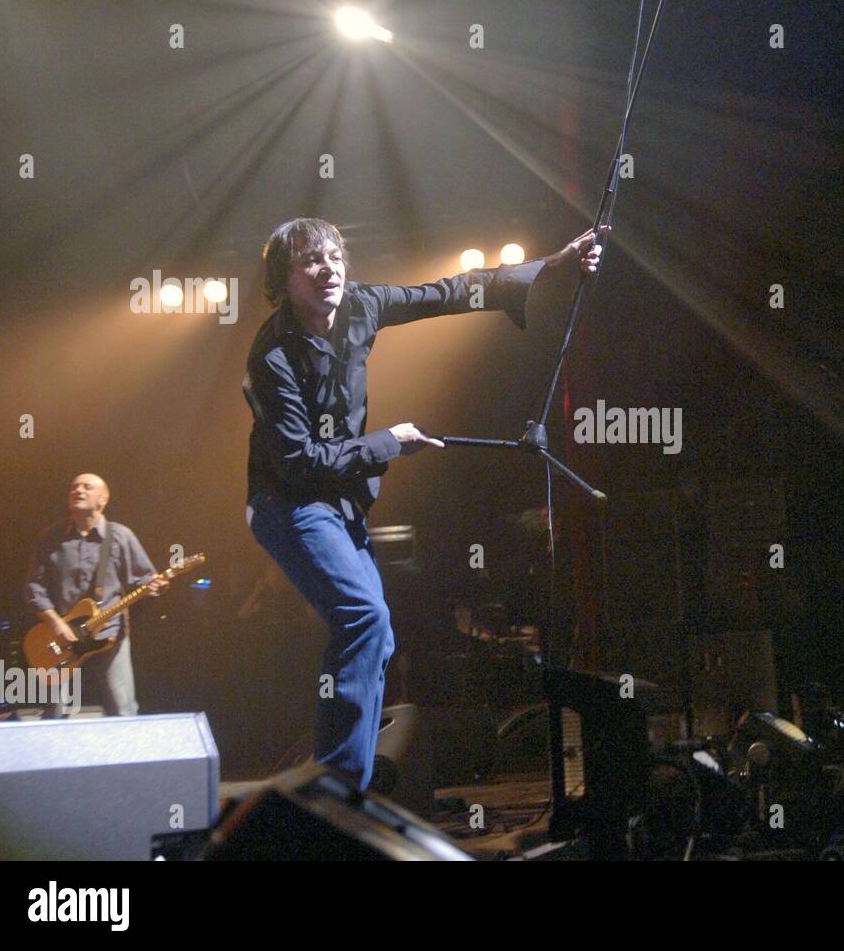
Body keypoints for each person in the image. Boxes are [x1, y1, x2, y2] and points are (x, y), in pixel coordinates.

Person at [242, 217, 605, 789]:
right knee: (364, 617)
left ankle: (346, 786)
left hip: (339, 503)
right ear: (282, 280)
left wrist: (553, 268)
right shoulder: (271, 357)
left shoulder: (362, 304)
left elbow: (448, 292)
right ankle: (335, 791)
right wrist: (390, 442)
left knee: (378, 635)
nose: (329, 269)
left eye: (335, 256)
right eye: (311, 261)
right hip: (288, 503)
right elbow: (300, 463)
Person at [24, 473, 168, 716]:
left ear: (103, 499)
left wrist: (156, 587)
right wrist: (57, 624)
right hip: (60, 637)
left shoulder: (120, 536)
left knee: (122, 709)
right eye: (74, 487)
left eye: (87, 487)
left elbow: (145, 579)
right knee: (54, 712)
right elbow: (33, 587)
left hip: (109, 633)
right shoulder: (50, 537)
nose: (78, 490)